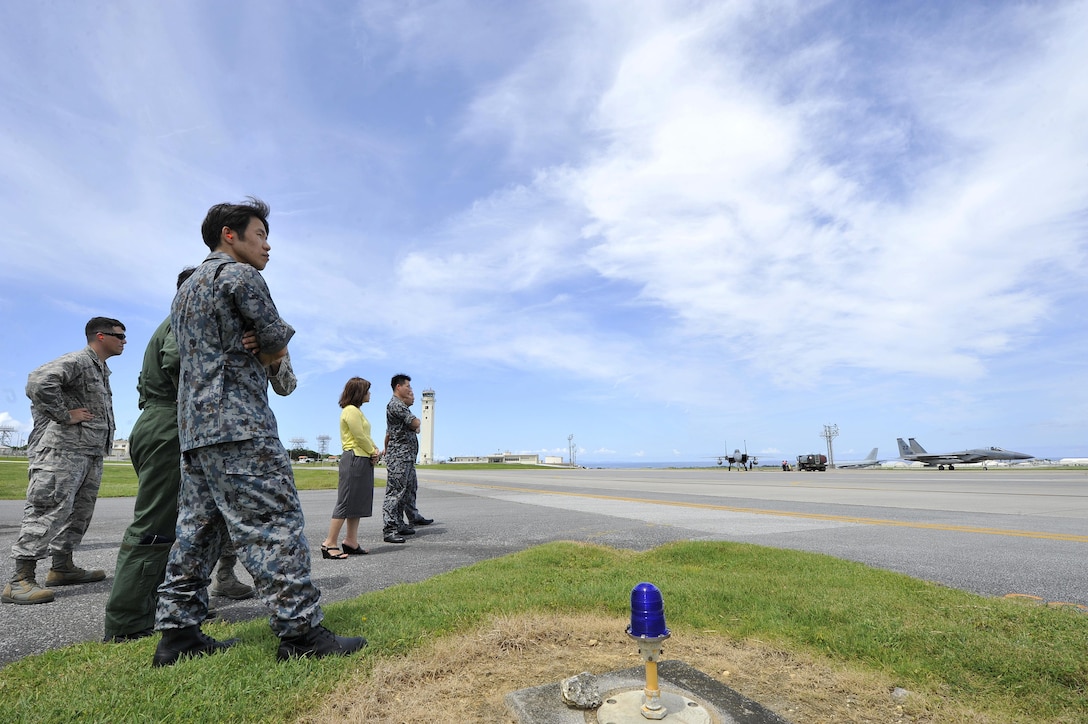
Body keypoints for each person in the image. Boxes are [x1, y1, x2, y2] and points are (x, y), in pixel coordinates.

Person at [152, 197, 365, 666]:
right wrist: (268, 351)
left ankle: (178, 634)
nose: (268, 246)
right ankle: (301, 634)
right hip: (240, 426)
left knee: (197, 531)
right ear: (230, 235)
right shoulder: (240, 276)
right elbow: (276, 345)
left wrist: (259, 346)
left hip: (197, 431)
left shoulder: (184, 292)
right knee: (275, 526)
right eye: (261, 235)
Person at [102, 268, 254, 644]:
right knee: (156, 526)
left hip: (168, 421)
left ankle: (167, 608)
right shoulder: (184, 318)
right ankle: (129, 622)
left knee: (181, 525)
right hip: (170, 423)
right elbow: (177, 361)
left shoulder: (175, 320)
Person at [3, 317, 126, 605]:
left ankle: (62, 567)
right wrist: (64, 415)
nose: (124, 340)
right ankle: (20, 580)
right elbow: (39, 381)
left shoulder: (99, 368)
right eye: (119, 335)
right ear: (100, 336)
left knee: (78, 513)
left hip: (88, 452)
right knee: (47, 510)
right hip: (61, 452)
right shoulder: (78, 361)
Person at [321, 377, 380, 559]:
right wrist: (372, 451)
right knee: (346, 501)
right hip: (354, 458)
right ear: (359, 392)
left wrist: (374, 450)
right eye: (367, 390)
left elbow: (365, 436)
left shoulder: (357, 411)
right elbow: (359, 436)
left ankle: (350, 541)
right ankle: (329, 543)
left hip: (362, 458)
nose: (370, 394)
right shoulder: (350, 410)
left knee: (356, 502)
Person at [381, 374, 432, 544]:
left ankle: (399, 524)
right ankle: (389, 529)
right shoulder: (396, 405)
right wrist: (415, 424)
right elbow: (415, 423)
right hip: (399, 458)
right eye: (408, 386)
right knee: (395, 493)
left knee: (406, 491)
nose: (410, 390)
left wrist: (414, 425)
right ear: (398, 387)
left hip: (407, 457)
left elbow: (392, 432)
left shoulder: (402, 406)